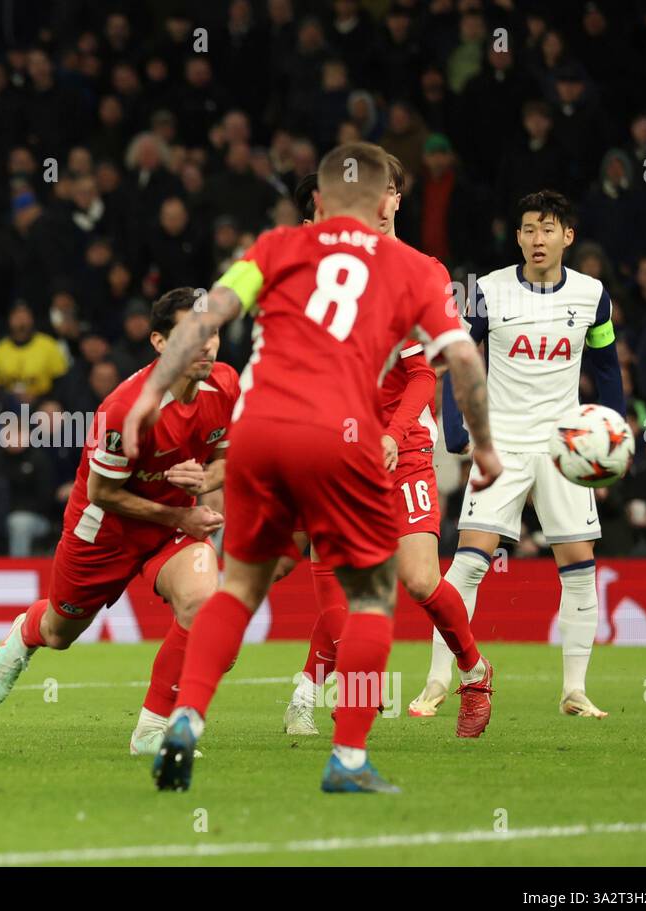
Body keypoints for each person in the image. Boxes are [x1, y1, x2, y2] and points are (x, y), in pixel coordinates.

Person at [123, 143, 498, 793]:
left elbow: (205, 317)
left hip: (261, 432)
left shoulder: (272, 249)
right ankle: (348, 759)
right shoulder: (417, 269)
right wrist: (485, 449)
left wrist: (149, 394)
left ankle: (185, 718)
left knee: (240, 587)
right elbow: (461, 361)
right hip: (341, 439)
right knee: (372, 596)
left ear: (318, 203)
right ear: (386, 200)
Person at [285, 153, 493, 740]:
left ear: (397, 199)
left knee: (420, 579)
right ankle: (349, 712)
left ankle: (475, 674)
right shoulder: (332, 279)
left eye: (383, 192)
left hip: (402, 446)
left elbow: (428, 371)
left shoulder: (423, 273)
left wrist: (392, 435)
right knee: (343, 591)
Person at [0, 287, 238, 757]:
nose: (207, 344)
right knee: (60, 633)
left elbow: (227, 460)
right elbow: (103, 493)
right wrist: (181, 510)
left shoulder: (224, 385)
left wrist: (203, 479)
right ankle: (27, 629)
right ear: (160, 343)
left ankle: (151, 731)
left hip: (173, 526)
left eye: (214, 332)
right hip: (105, 529)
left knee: (203, 607)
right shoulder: (127, 410)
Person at [432, 190, 625, 719]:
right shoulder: (489, 292)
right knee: (468, 561)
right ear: (517, 237)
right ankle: (436, 679)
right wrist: (457, 432)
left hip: (566, 446)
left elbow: (606, 368)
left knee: (579, 567)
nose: (537, 239)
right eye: (527, 230)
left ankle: (574, 691)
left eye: (547, 229)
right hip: (503, 444)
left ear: (568, 236)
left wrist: (614, 432)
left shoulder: (593, 296)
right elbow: (459, 360)